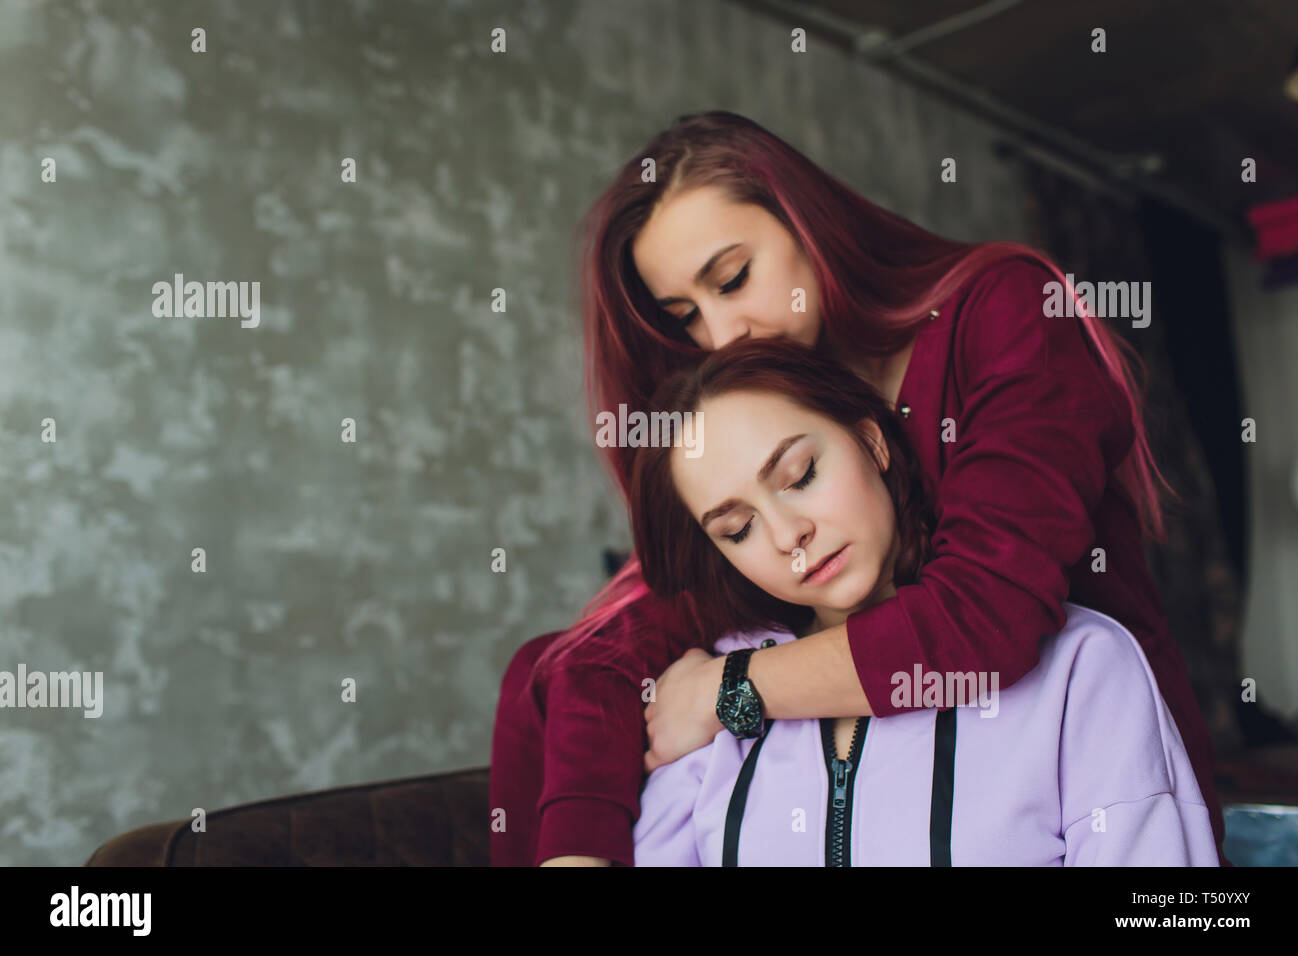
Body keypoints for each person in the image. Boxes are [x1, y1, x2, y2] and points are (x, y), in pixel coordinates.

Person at [489, 110, 1229, 866]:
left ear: (808, 226)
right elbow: (604, 652)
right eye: (687, 318)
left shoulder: (1003, 313)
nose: (722, 335)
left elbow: (984, 615)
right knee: (542, 674)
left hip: (1079, 783)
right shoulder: (775, 414)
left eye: (733, 278)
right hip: (880, 775)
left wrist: (729, 691)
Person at [626, 337, 1217, 866]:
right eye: (737, 529)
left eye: (801, 474)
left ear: (870, 440)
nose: (788, 536)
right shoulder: (699, 712)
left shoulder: (1081, 670)